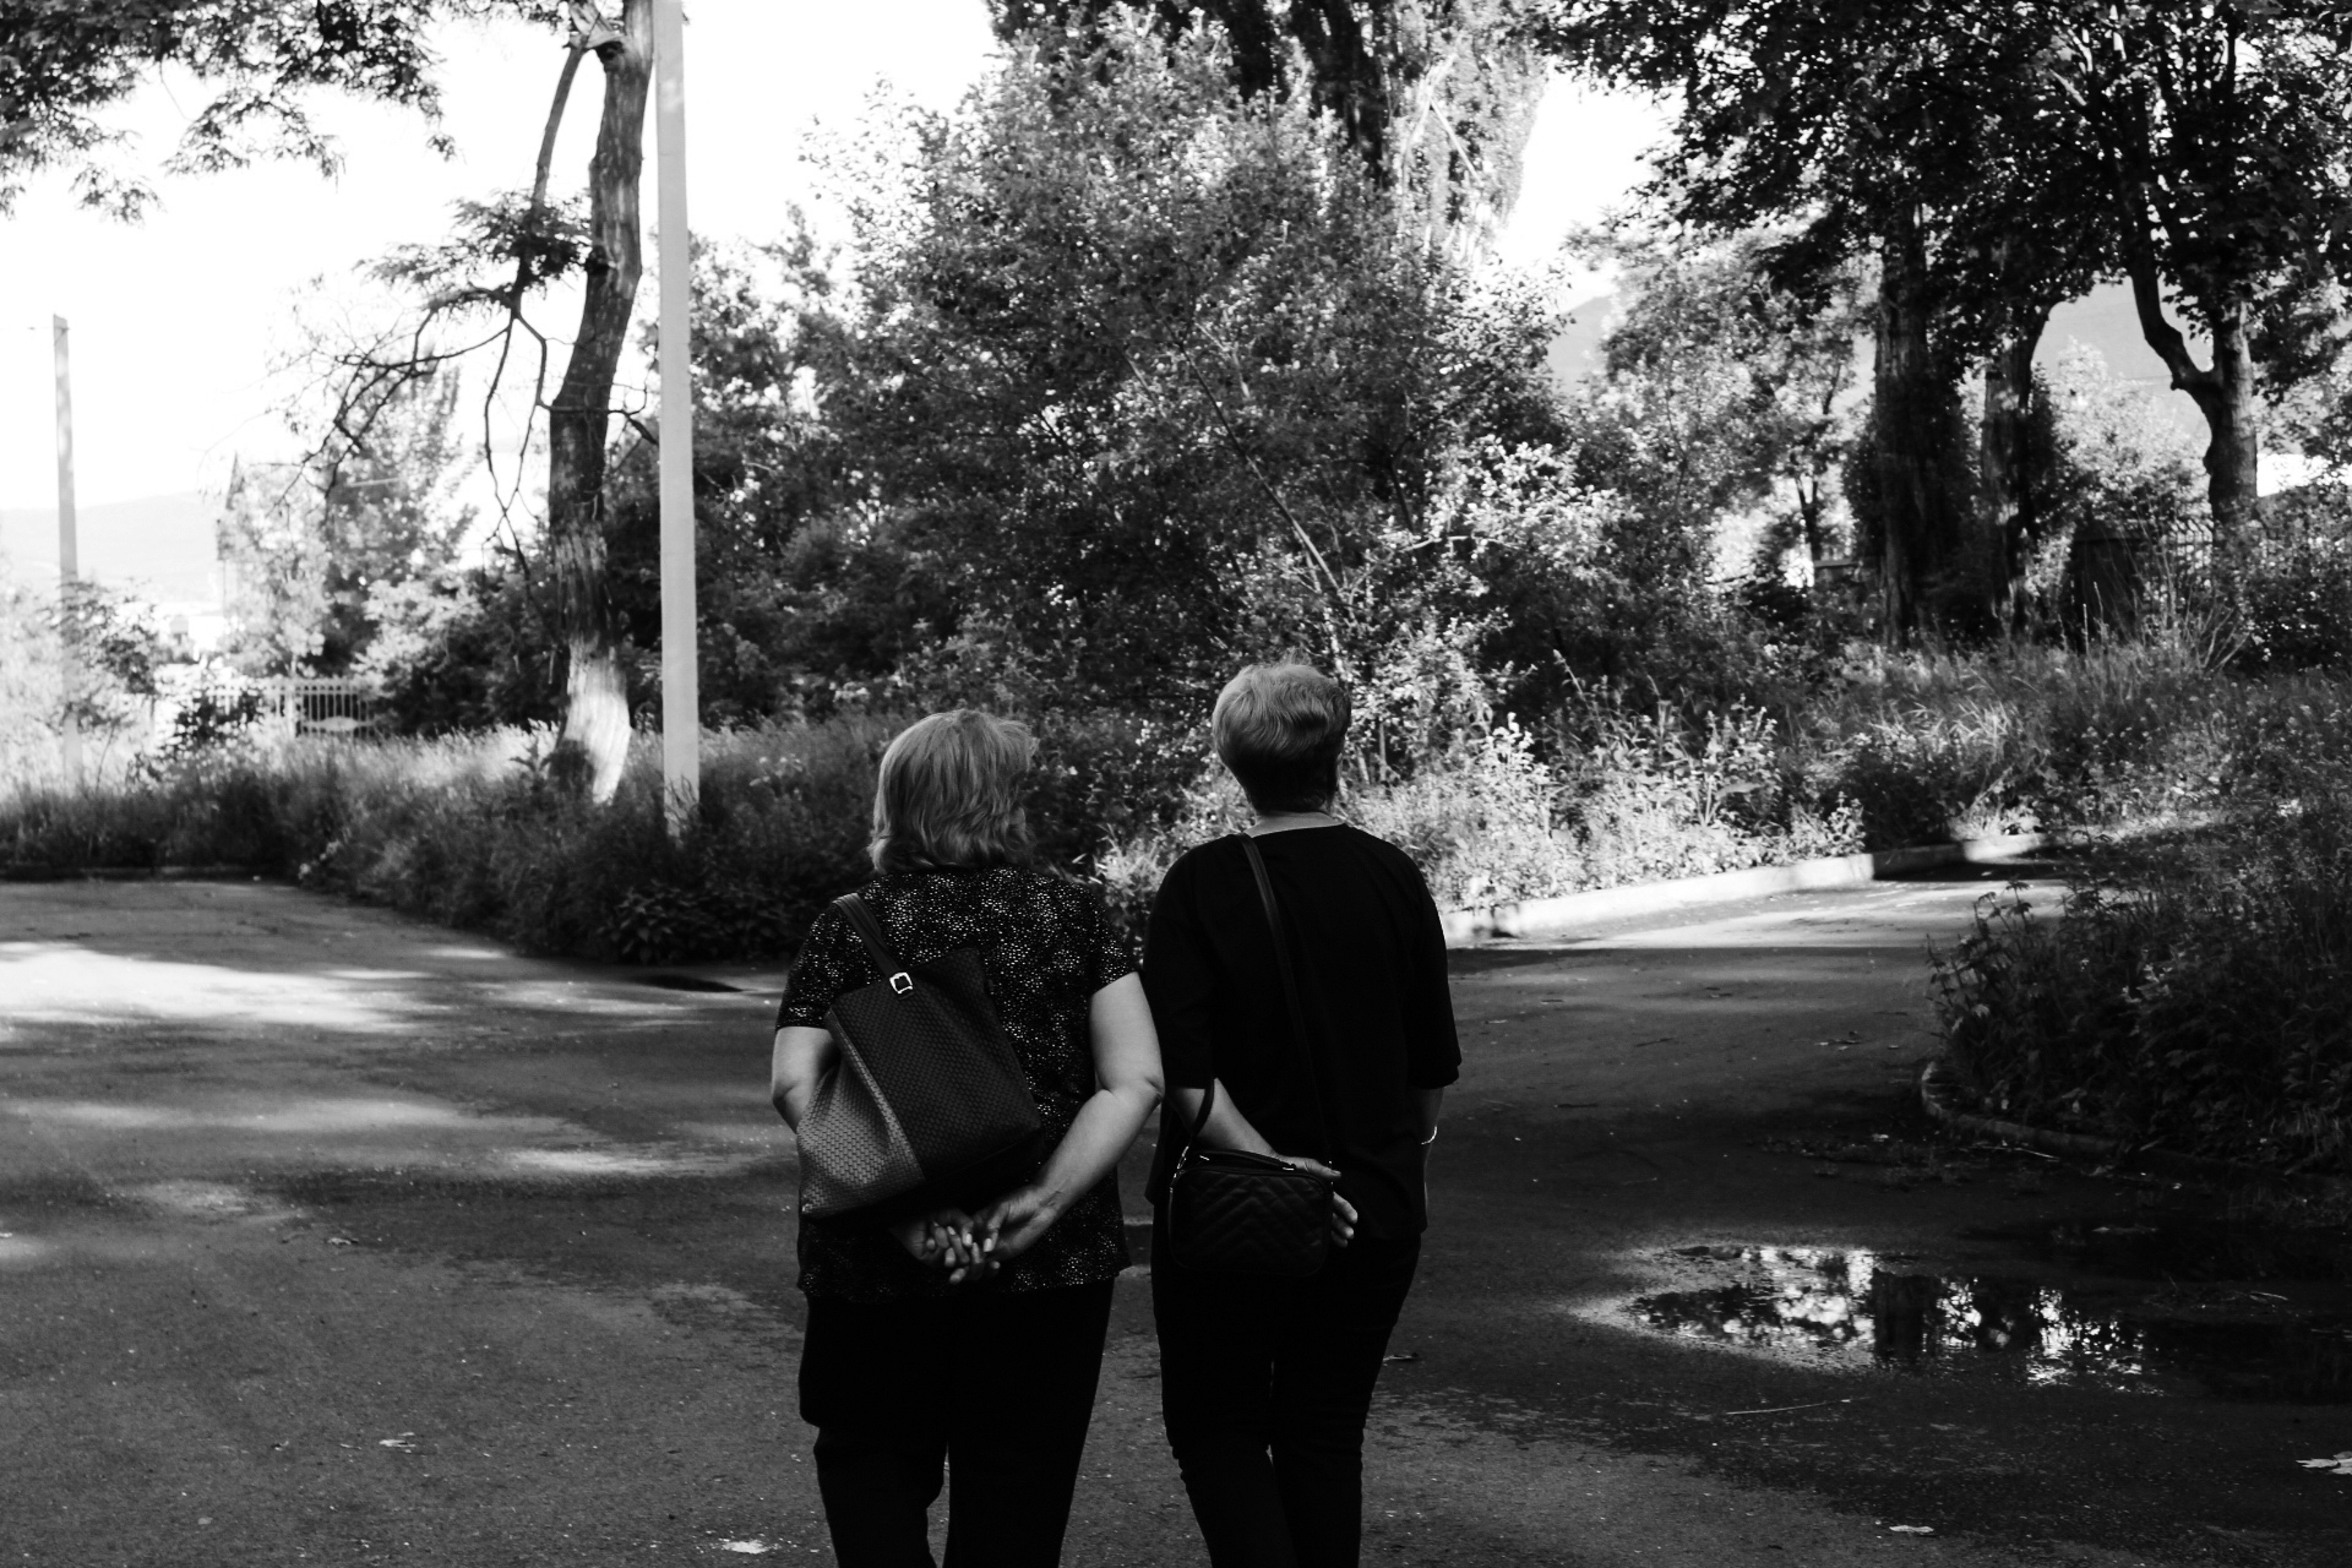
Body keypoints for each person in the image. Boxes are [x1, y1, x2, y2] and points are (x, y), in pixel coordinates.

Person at [770, 709, 1163, 1568]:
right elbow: (1134, 1080)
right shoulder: (1075, 916)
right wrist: (1040, 1207)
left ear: (900, 803)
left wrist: (905, 1215)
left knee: (873, 1470)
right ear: (1003, 801)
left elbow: (795, 1084)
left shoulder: (849, 924)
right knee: (1018, 1492)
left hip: (878, 1260)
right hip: (1047, 1266)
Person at [1144, 663, 1460, 1568]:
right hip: (1377, 1206)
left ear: (1231, 761)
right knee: (1324, 1431)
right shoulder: (1393, 876)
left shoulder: (1201, 884)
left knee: (1218, 1427)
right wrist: (1403, 1155)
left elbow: (1182, 1076)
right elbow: (1430, 1066)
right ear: (1338, 751)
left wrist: (1280, 1175)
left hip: (1228, 1212)